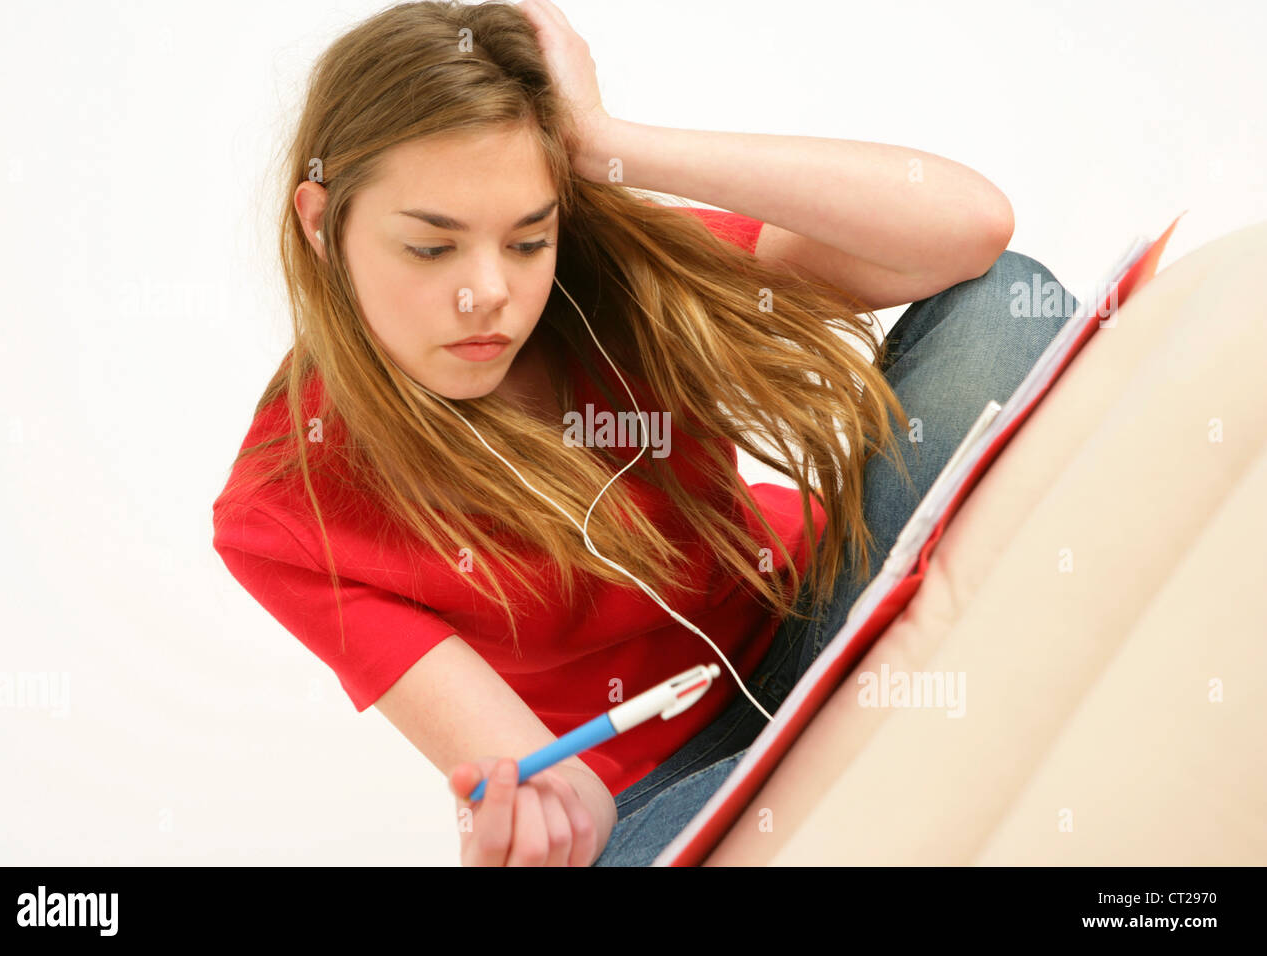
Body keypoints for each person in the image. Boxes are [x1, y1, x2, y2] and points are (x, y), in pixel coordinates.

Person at [211, 0, 1074, 866]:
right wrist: (545, 819)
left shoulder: (613, 274)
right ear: (321, 223)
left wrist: (601, 140)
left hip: (823, 612)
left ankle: (875, 751)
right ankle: (895, 742)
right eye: (432, 249)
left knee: (1004, 305)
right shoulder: (282, 511)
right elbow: (562, 788)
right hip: (669, 786)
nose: (488, 295)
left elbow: (970, 230)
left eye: (526, 239)